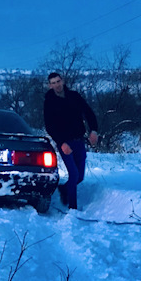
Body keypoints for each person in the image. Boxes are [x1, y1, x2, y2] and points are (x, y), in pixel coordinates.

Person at [43, 72, 99, 209]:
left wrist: (94, 130)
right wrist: (61, 142)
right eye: (53, 83)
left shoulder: (74, 96)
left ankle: (64, 189)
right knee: (73, 173)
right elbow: (50, 126)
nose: (57, 85)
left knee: (80, 176)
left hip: (79, 140)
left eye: (58, 81)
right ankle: (72, 208)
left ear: (63, 81)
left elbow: (88, 112)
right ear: (50, 85)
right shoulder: (49, 102)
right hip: (65, 143)